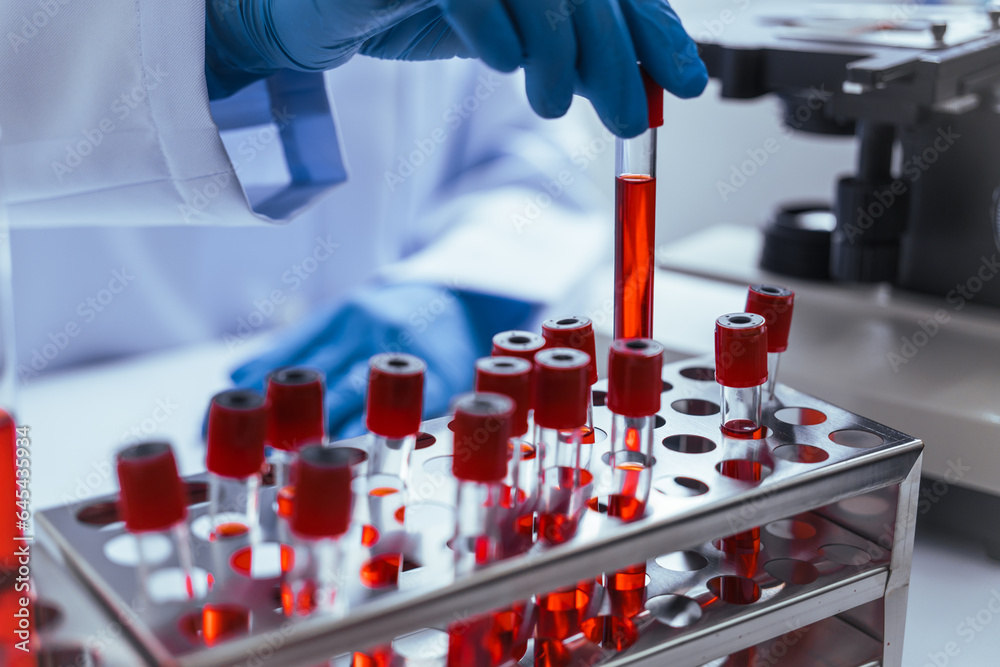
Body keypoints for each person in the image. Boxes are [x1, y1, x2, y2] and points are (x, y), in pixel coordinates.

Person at [0, 1, 707, 436]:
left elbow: (522, 159)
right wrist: (212, 28)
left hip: (386, 449)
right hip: (66, 435)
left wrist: (457, 291)